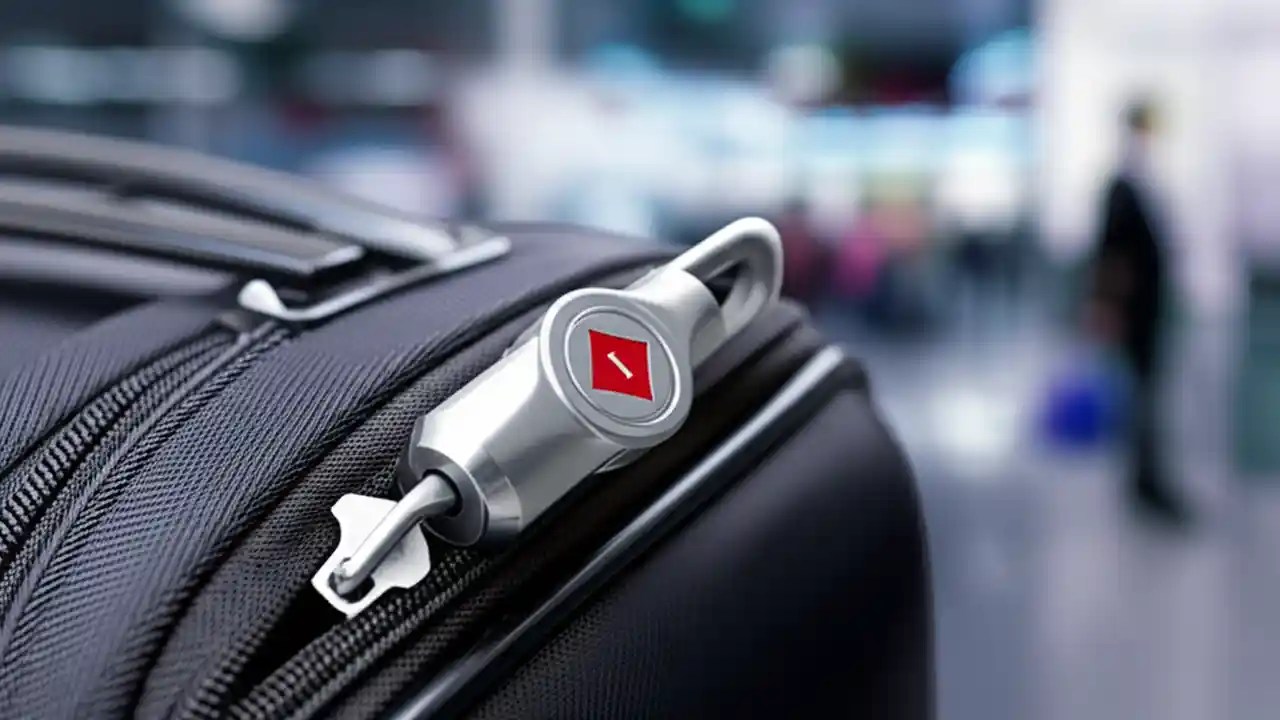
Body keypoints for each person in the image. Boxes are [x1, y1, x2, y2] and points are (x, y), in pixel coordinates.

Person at [1089, 100, 1191, 526]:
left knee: (1147, 395)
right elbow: (1112, 254)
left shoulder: (1140, 185)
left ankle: (1146, 479)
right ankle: (1145, 482)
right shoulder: (1122, 188)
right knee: (1140, 397)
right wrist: (1108, 306)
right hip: (1135, 314)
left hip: (1148, 310)